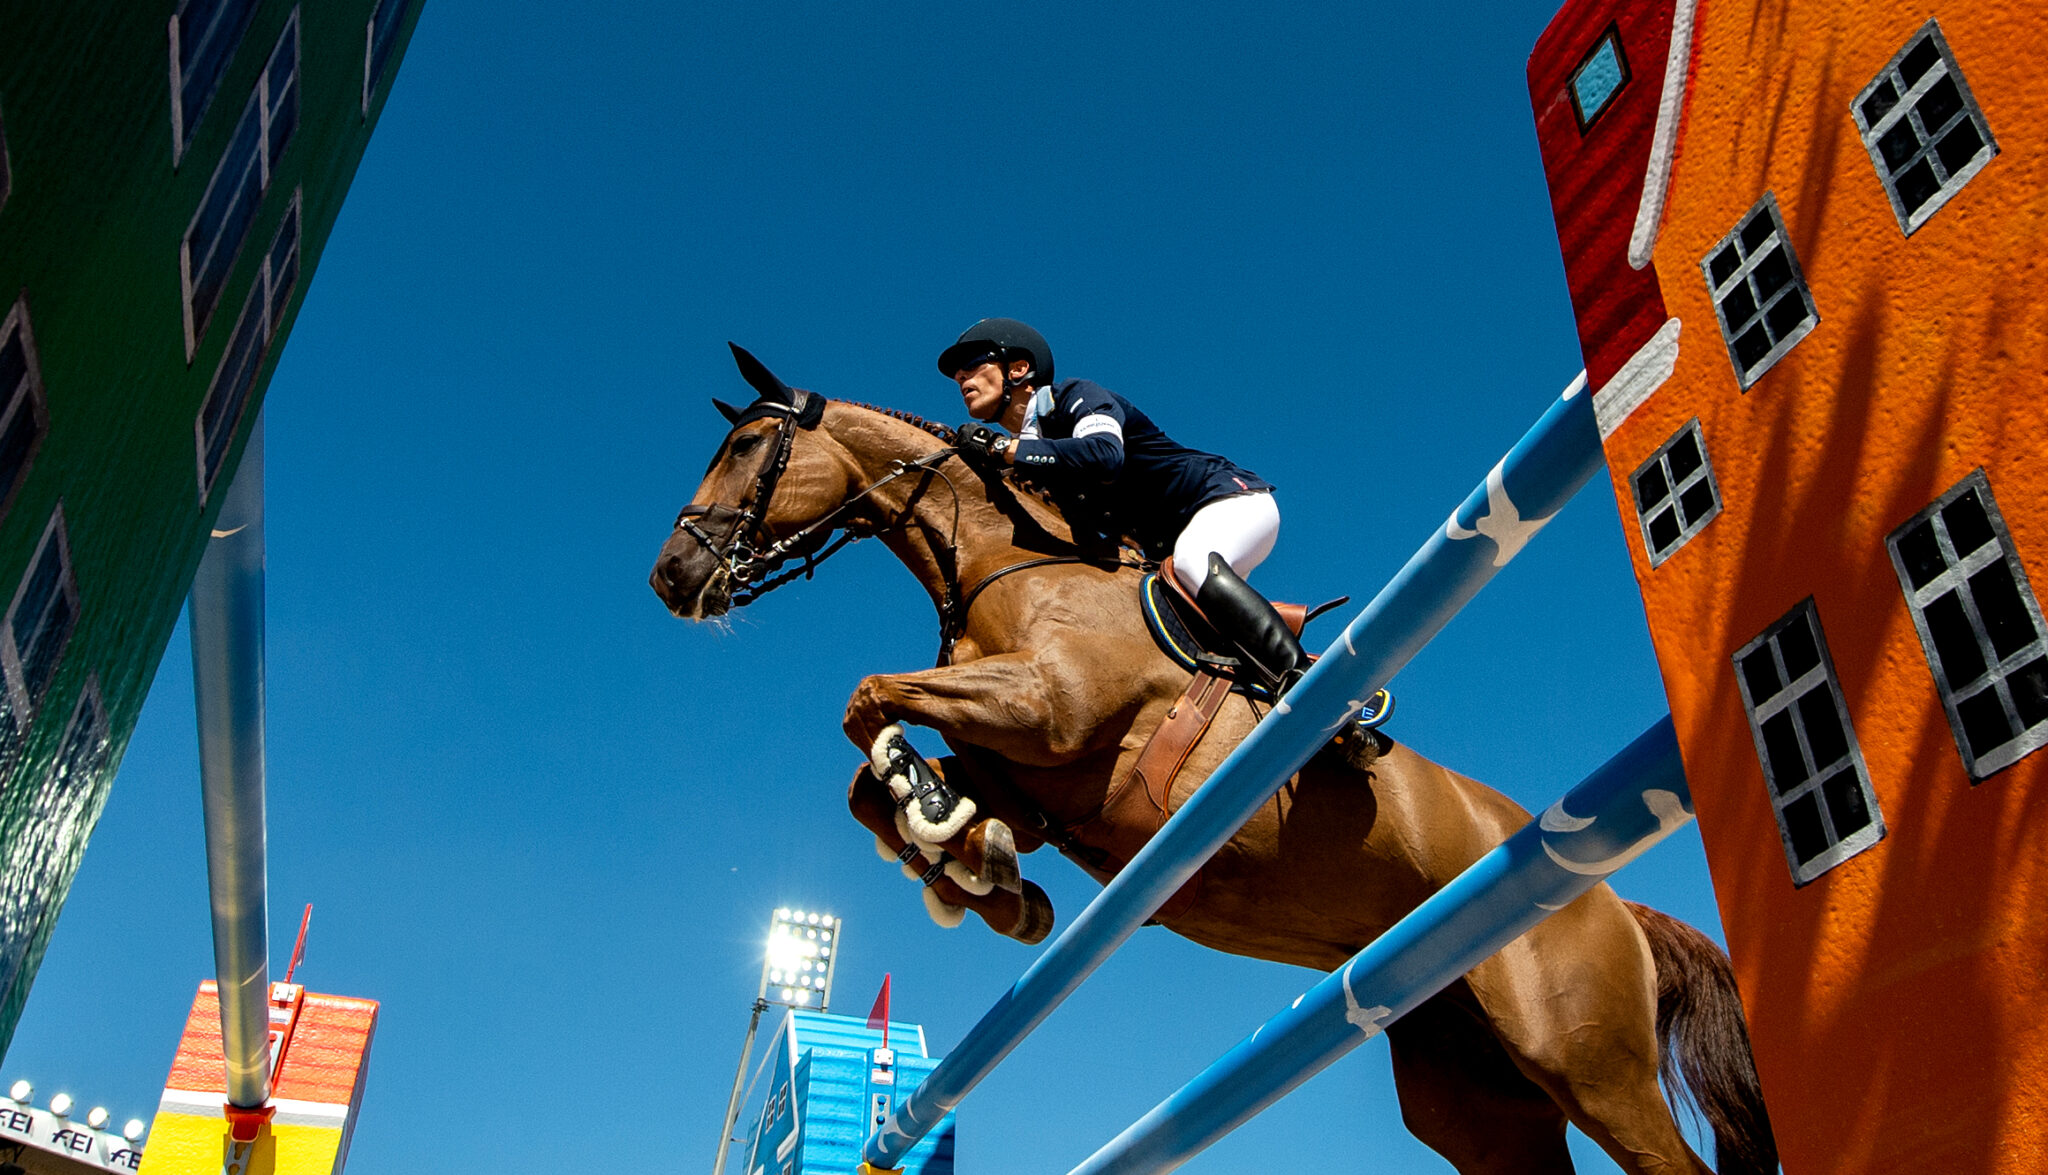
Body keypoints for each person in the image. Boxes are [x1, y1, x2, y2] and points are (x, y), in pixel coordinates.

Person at [941, 317, 1308, 693]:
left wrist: (1001, 447)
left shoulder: (1072, 396)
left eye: (972, 362)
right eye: (956, 373)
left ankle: (1297, 676)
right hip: (1167, 554)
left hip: (1228, 501)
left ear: (1018, 368)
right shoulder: (1033, 455)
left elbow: (1103, 455)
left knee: (1193, 562)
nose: (960, 376)